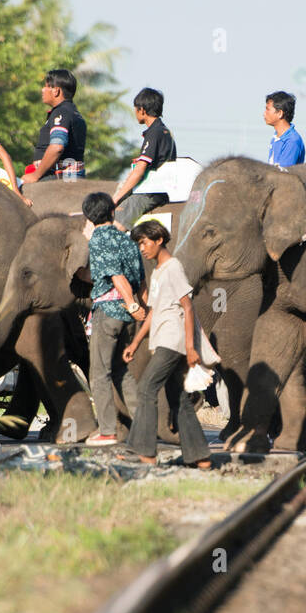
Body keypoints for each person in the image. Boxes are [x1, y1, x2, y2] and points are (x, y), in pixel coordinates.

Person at [122, 220, 212, 469]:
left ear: (159, 239)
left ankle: (144, 452)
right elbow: (153, 312)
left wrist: (191, 347)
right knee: (179, 398)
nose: (142, 248)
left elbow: (188, 306)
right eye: (139, 244)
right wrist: (136, 343)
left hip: (173, 341)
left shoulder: (173, 268)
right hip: (162, 339)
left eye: (144, 242)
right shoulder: (159, 271)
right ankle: (200, 456)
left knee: (146, 388)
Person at [82, 192, 146, 447]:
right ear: (112, 211)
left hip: (109, 311)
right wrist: (139, 306)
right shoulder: (127, 239)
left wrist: (130, 303)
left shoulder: (99, 238)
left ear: (88, 216)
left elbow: (115, 275)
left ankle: (107, 431)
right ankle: (145, 425)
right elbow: (138, 278)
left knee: (98, 372)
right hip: (127, 314)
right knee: (122, 372)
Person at [113, 87, 177, 225]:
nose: (135, 112)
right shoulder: (165, 132)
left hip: (151, 192)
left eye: (135, 109)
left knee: (112, 230)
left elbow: (140, 170)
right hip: (162, 188)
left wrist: (117, 197)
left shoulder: (154, 133)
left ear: (142, 110)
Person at [23, 68, 86, 184]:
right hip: (71, 177)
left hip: (57, 179)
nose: (43, 90)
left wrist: (35, 175)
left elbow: (57, 146)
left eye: (46, 86)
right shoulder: (75, 113)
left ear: (56, 91)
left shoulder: (61, 112)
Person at [265, 91, 305, 167]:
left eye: (268, 109)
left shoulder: (292, 141)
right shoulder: (276, 137)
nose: (264, 113)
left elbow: (283, 175)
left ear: (280, 113)